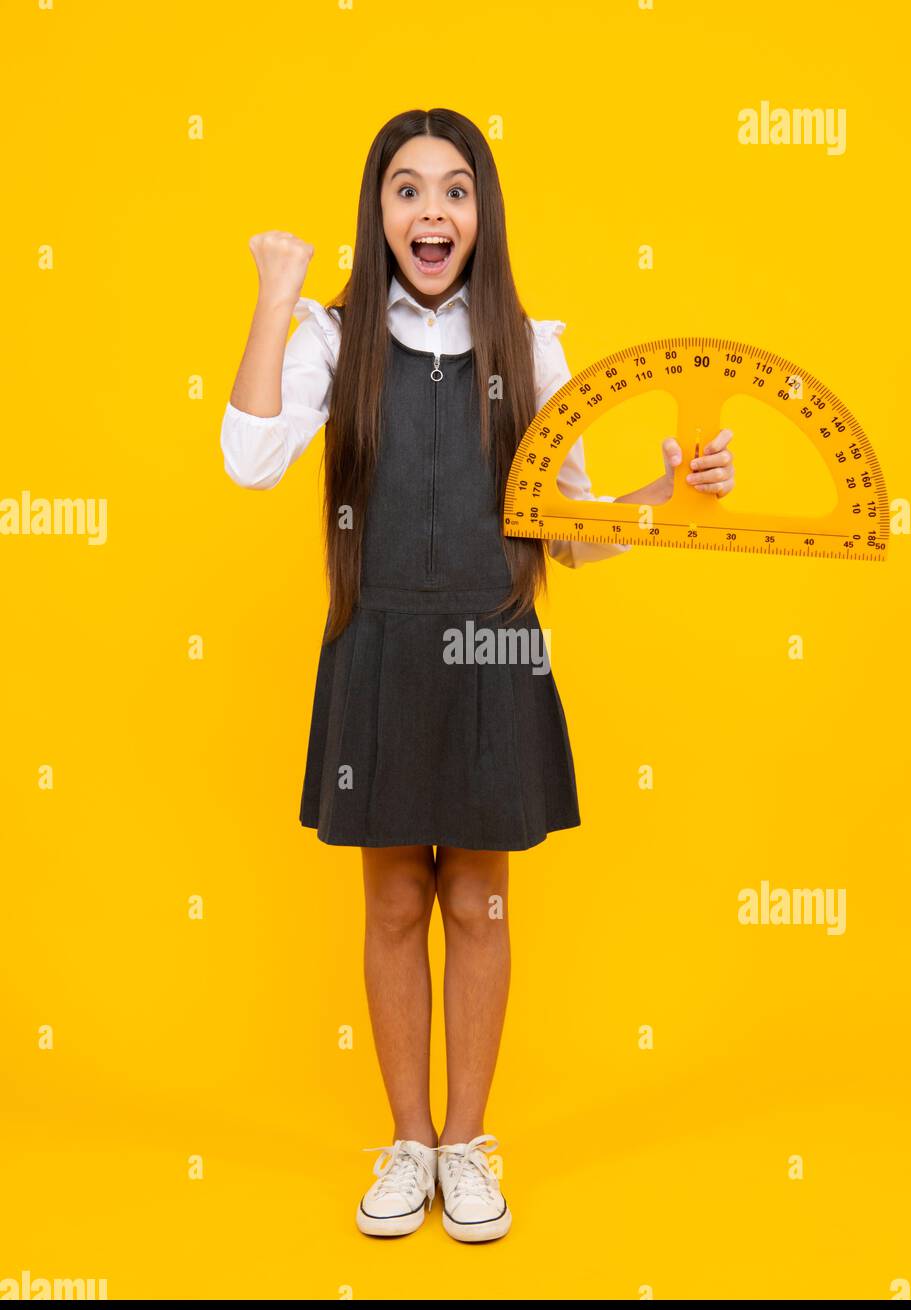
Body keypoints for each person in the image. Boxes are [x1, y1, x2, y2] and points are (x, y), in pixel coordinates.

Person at [220, 108, 735, 1244]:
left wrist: (666, 495)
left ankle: (467, 1144)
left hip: (496, 646)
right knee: (396, 899)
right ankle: (406, 1145)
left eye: (454, 190)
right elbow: (251, 458)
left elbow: (571, 534)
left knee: (479, 902)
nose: (433, 211)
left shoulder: (530, 344)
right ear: (381, 213)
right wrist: (275, 295)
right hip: (379, 646)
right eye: (407, 191)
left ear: (481, 211)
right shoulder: (329, 333)